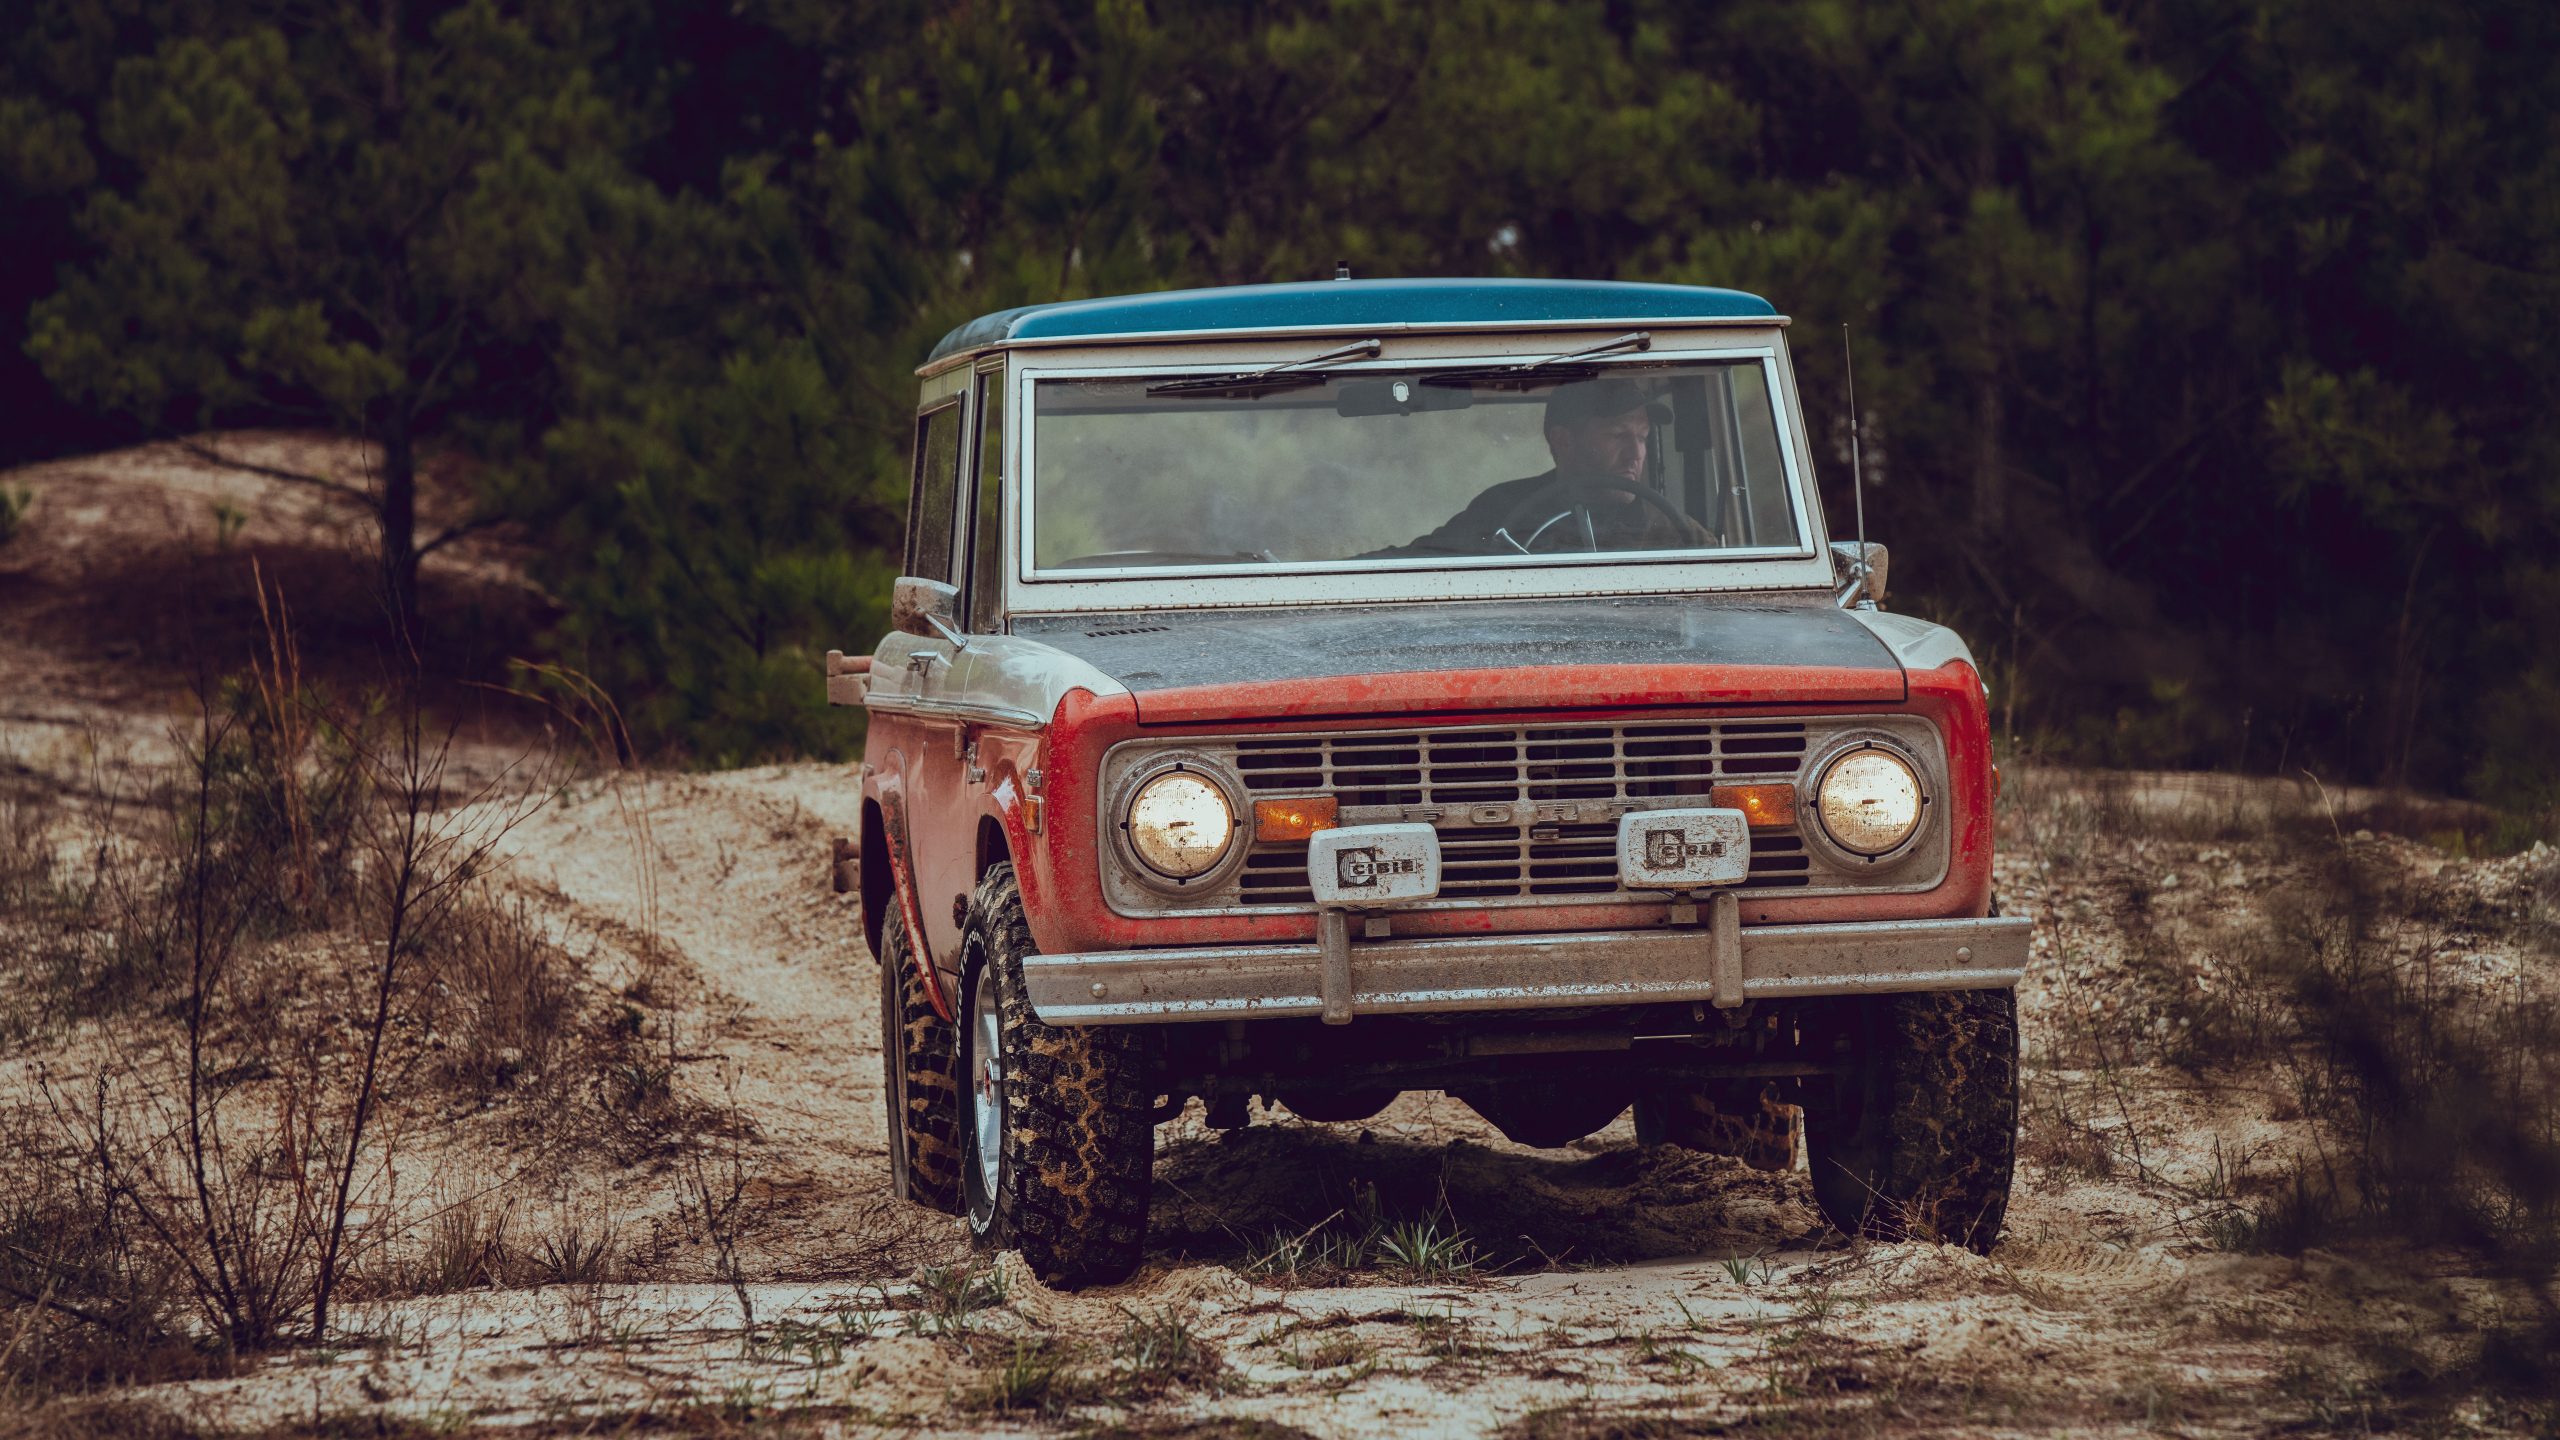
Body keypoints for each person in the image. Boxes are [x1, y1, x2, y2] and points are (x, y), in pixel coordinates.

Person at [1369, 377, 1716, 557]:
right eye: (1618, 435)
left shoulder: (1673, 529)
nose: (1635, 454)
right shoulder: (1503, 509)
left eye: (1642, 437)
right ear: (1563, 441)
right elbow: (1426, 558)